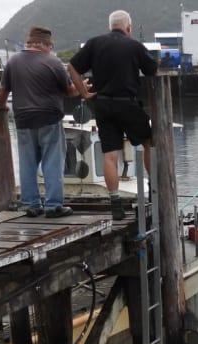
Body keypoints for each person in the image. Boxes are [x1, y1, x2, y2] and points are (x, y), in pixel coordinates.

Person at [67, 10, 158, 220]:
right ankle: (153, 186)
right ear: (129, 27)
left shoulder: (94, 43)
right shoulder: (134, 45)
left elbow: (72, 67)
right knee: (148, 142)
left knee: (110, 154)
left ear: (110, 26)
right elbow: (152, 70)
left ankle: (115, 201)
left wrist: (83, 92)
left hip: (103, 104)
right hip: (127, 103)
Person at [0, 26, 87, 218]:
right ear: (46, 44)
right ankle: (53, 206)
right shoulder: (53, 62)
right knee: (52, 162)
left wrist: (1, 107)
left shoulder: (13, 62)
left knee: (27, 162)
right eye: (51, 46)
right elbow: (69, 91)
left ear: (29, 42)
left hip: (23, 119)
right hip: (49, 118)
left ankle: (31, 205)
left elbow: (2, 90)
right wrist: (82, 88)